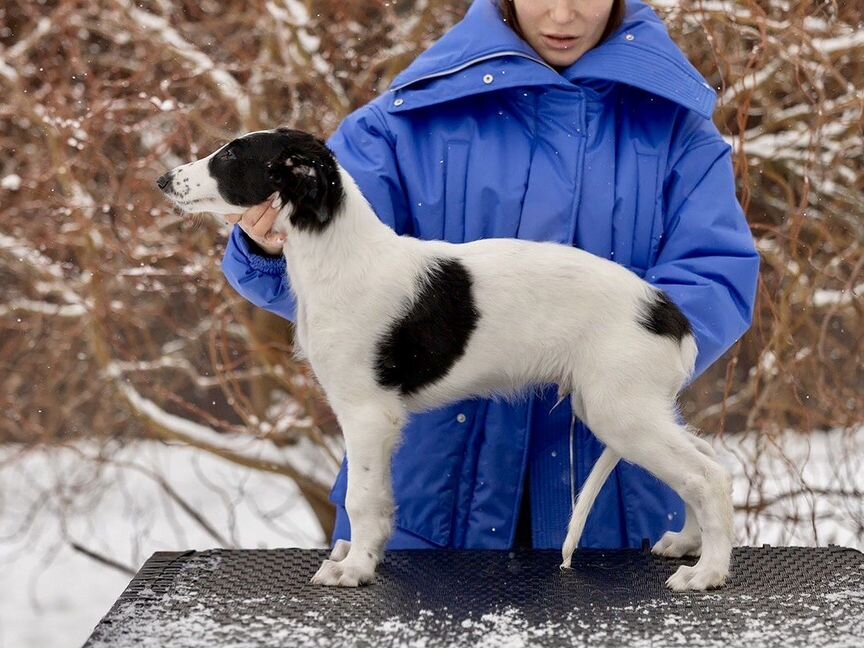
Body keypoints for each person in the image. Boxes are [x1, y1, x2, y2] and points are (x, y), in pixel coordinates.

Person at [222, 0, 760, 551]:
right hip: (430, 514)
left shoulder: (677, 131)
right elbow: (340, 283)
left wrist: (614, 358)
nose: (564, 15)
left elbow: (715, 273)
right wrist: (269, 246)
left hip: (618, 512)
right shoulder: (403, 122)